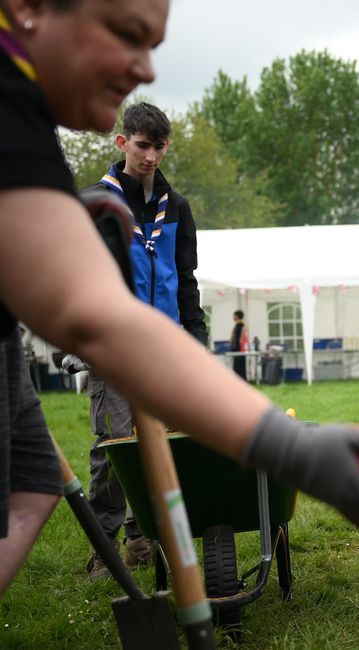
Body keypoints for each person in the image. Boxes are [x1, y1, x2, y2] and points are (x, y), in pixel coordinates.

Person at [0, 0, 359, 598]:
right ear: (29, 3)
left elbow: (89, 309)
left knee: (37, 482)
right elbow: (92, 316)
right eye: (128, 34)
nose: (146, 69)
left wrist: (288, 448)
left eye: (153, 45)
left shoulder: (26, 123)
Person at [81, 101, 208, 578]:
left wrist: (195, 335)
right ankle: (104, 548)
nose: (150, 156)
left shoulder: (177, 208)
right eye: (141, 145)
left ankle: (143, 538)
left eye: (158, 147)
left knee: (163, 444)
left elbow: (186, 275)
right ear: (122, 142)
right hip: (113, 346)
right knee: (115, 449)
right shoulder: (95, 202)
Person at [231, 310, 249, 380]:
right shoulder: (241, 325)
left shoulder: (239, 325)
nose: (233, 317)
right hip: (241, 349)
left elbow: (237, 339)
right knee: (241, 366)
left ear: (237, 316)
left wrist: (234, 348)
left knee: (238, 367)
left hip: (238, 349)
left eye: (234, 315)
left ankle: (239, 381)